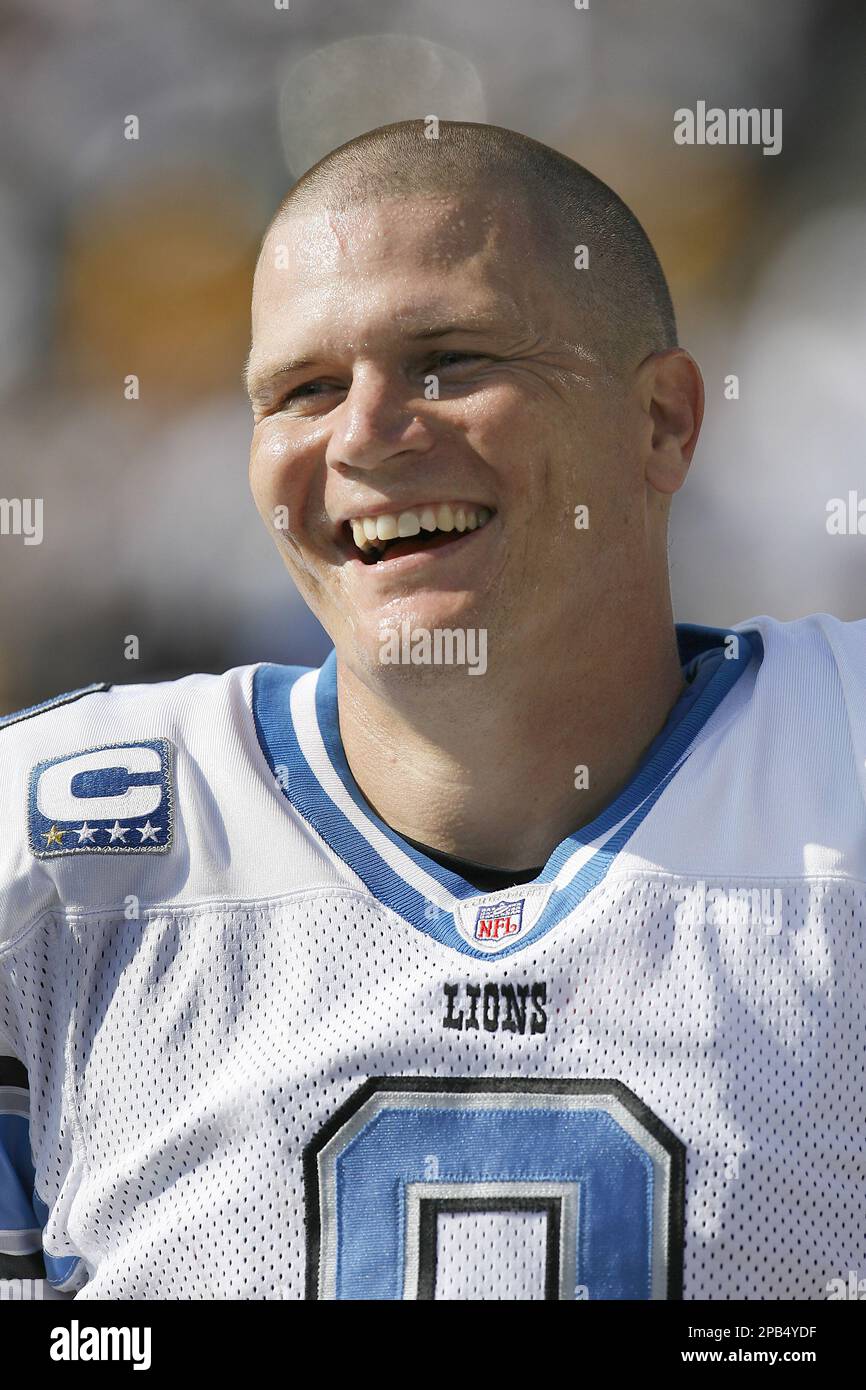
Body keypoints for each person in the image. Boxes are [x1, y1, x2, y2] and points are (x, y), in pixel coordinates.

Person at [1, 120, 864, 1301]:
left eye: (450, 361)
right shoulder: (58, 861)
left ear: (659, 423)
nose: (360, 434)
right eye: (301, 389)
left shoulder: (839, 770)